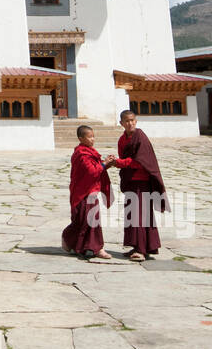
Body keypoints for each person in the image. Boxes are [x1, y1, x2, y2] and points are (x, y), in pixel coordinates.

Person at [112, 109, 168, 261]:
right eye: (126, 121)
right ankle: (137, 246)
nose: (130, 123)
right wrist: (116, 162)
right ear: (121, 123)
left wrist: (118, 162)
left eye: (132, 120)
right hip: (130, 180)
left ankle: (141, 250)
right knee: (132, 213)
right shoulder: (122, 140)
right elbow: (125, 159)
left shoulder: (140, 137)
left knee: (140, 214)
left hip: (141, 180)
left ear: (136, 121)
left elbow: (139, 161)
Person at [62, 125, 115, 260]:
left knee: (90, 220)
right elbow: (92, 172)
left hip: (90, 190)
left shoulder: (89, 151)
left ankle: (85, 245)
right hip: (82, 192)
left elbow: (95, 169)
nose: (93, 139)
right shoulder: (81, 154)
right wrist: (104, 164)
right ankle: (96, 248)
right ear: (81, 139)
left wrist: (106, 164)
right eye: (89, 137)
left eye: (93, 136)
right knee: (85, 220)